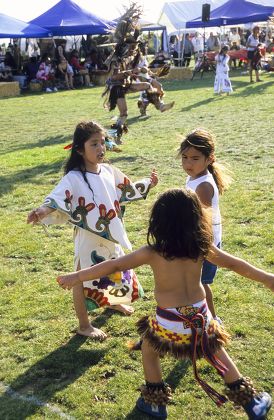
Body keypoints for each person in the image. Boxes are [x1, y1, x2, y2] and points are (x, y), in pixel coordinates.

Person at [57, 188, 273, 419]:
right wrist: (268, 279)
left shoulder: (153, 252)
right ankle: (252, 403)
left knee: (149, 350)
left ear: (159, 221)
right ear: (196, 218)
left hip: (170, 320)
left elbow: (114, 266)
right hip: (201, 315)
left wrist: (77, 277)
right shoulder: (201, 247)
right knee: (215, 350)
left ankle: (155, 404)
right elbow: (237, 265)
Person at [27, 121, 158, 340]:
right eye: (94, 144)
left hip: (111, 232)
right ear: (80, 149)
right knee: (80, 277)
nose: (101, 148)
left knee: (114, 266)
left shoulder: (109, 170)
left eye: (103, 143)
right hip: (88, 236)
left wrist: (147, 184)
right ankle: (84, 325)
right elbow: (60, 197)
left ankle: (114, 302)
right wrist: (42, 210)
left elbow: (126, 190)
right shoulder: (73, 178)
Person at [178, 128, 231, 323]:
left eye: (194, 158)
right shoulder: (194, 177)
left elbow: (202, 220)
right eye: (184, 157)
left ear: (209, 159)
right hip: (196, 239)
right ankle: (194, 315)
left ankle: (213, 319)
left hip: (204, 243)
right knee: (192, 282)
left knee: (201, 283)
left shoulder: (204, 186)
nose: (188, 163)